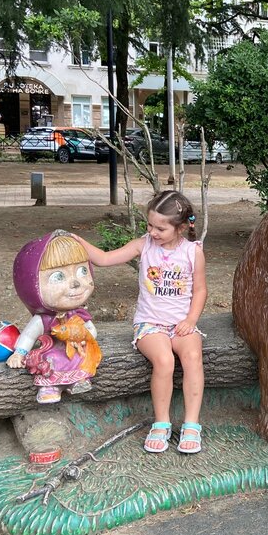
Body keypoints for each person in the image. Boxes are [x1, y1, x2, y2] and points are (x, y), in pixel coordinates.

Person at [72, 191, 207, 454]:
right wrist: (76, 240)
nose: (153, 232)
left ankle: (191, 424)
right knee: (165, 360)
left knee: (192, 356)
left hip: (181, 323)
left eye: (160, 228)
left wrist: (191, 320)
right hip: (150, 324)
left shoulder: (193, 252)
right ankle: (161, 423)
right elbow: (104, 258)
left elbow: (200, 290)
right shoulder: (143, 245)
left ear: (180, 227)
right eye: (149, 225)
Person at [8, 231, 103, 404]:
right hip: (52, 350)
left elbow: (90, 330)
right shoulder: (42, 320)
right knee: (52, 360)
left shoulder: (78, 315)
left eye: (83, 270)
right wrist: (19, 353)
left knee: (80, 358)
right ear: (32, 285)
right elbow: (29, 335)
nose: (75, 283)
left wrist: (84, 339)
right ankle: (50, 387)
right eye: (58, 276)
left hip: (75, 349)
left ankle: (79, 380)